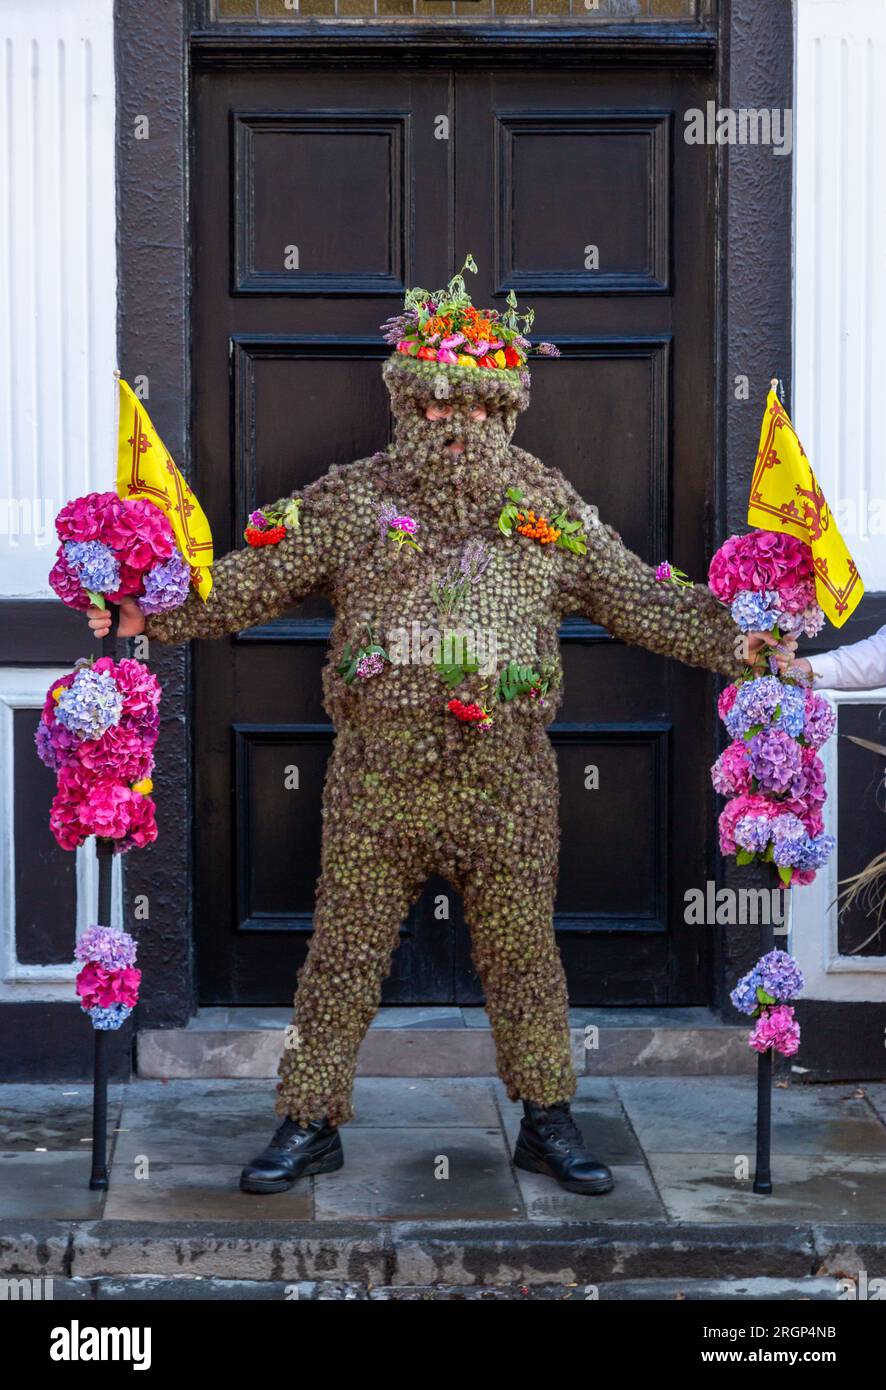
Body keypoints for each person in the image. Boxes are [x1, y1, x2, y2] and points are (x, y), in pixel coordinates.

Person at [87, 275, 773, 1197]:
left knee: (526, 955)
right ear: (405, 401)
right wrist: (147, 616)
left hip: (508, 785)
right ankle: (308, 1119)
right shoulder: (351, 503)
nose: (452, 416)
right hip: (377, 783)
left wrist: (743, 640)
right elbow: (251, 580)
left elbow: (641, 599)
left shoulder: (548, 512)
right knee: (340, 952)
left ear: (505, 407)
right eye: (433, 398)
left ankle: (546, 1120)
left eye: (473, 400)